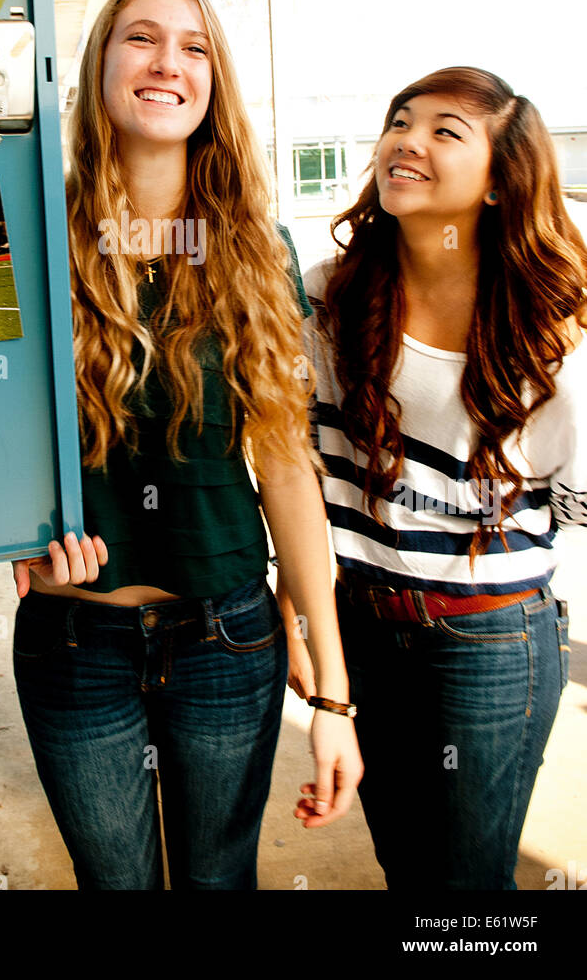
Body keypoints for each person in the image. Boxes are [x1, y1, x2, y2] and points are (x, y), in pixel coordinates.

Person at [10, 0, 362, 891]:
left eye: (195, 46)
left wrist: (332, 694)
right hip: (73, 638)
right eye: (142, 37)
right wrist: (1, 536)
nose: (169, 62)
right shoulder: (31, 232)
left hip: (227, 638)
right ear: (98, 67)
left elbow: (288, 470)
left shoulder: (257, 247)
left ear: (215, 82)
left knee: (219, 882)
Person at [279, 66, 587, 891]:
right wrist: (300, 611)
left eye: (446, 130)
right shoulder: (324, 299)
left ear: (500, 181)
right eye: (400, 121)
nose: (406, 141)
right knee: (407, 868)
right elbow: (298, 472)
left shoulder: (553, 330)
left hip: (488, 641)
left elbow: (577, 505)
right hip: (364, 627)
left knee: (464, 887)